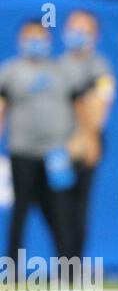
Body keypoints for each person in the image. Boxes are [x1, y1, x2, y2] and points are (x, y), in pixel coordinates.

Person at [1, 20, 80, 260]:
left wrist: (79, 139)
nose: (34, 42)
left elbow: (79, 105)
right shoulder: (11, 70)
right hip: (22, 150)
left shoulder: (61, 70)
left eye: (39, 37)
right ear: (20, 41)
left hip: (56, 152)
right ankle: (12, 270)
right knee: (20, 211)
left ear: (48, 41)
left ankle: (67, 269)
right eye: (29, 37)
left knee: (58, 211)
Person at [60, 9, 114, 259]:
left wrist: (89, 137)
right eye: (74, 28)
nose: (77, 34)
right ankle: (63, 260)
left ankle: (72, 263)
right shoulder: (58, 66)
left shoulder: (98, 66)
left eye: (83, 29)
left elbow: (102, 102)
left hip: (84, 140)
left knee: (78, 205)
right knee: (56, 207)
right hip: (57, 141)